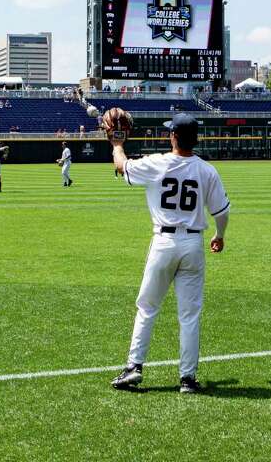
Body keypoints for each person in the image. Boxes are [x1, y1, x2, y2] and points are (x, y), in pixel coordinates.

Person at [107, 112, 230, 394]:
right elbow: (222, 212)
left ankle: (134, 367)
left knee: (147, 307)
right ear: (195, 139)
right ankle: (187, 379)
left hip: (163, 242)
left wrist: (116, 145)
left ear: (173, 136)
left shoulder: (158, 163)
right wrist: (219, 236)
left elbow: (122, 167)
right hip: (193, 245)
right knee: (189, 315)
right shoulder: (207, 170)